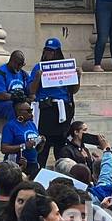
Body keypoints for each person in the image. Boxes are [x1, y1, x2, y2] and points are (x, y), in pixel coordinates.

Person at [28, 38, 76, 166]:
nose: (49, 54)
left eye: (52, 51)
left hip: (62, 109)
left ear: (58, 52)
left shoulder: (65, 67)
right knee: (44, 143)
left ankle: (62, 170)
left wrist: (78, 77)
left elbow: (73, 90)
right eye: (47, 51)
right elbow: (31, 91)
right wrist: (38, 77)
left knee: (60, 144)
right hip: (45, 109)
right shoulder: (38, 67)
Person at [0, 51, 30, 123]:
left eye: (22, 65)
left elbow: (29, 90)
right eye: (18, 64)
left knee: (29, 107)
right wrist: (14, 97)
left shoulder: (23, 74)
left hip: (18, 102)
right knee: (14, 107)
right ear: (12, 61)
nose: (19, 67)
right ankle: (13, 131)